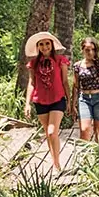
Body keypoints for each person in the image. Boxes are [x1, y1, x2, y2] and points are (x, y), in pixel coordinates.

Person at [23, 31, 71, 172]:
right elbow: (32, 83)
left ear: (52, 45)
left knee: (52, 132)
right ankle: (54, 163)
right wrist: (27, 103)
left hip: (57, 99)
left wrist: (69, 101)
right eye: (42, 44)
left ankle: (57, 165)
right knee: (48, 134)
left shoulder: (60, 60)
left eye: (47, 44)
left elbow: (64, 81)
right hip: (40, 101)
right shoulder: (33, 63)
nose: (45, 47)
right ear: (38, 47)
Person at [70, 36, 99, 142]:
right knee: (84, 130)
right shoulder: (78, 66)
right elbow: (76, 86)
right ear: (82, 50)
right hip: (84, 99)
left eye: (93, 49)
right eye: (87, 50)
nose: (90, 52)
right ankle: (85, 156)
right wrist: (73, 104)